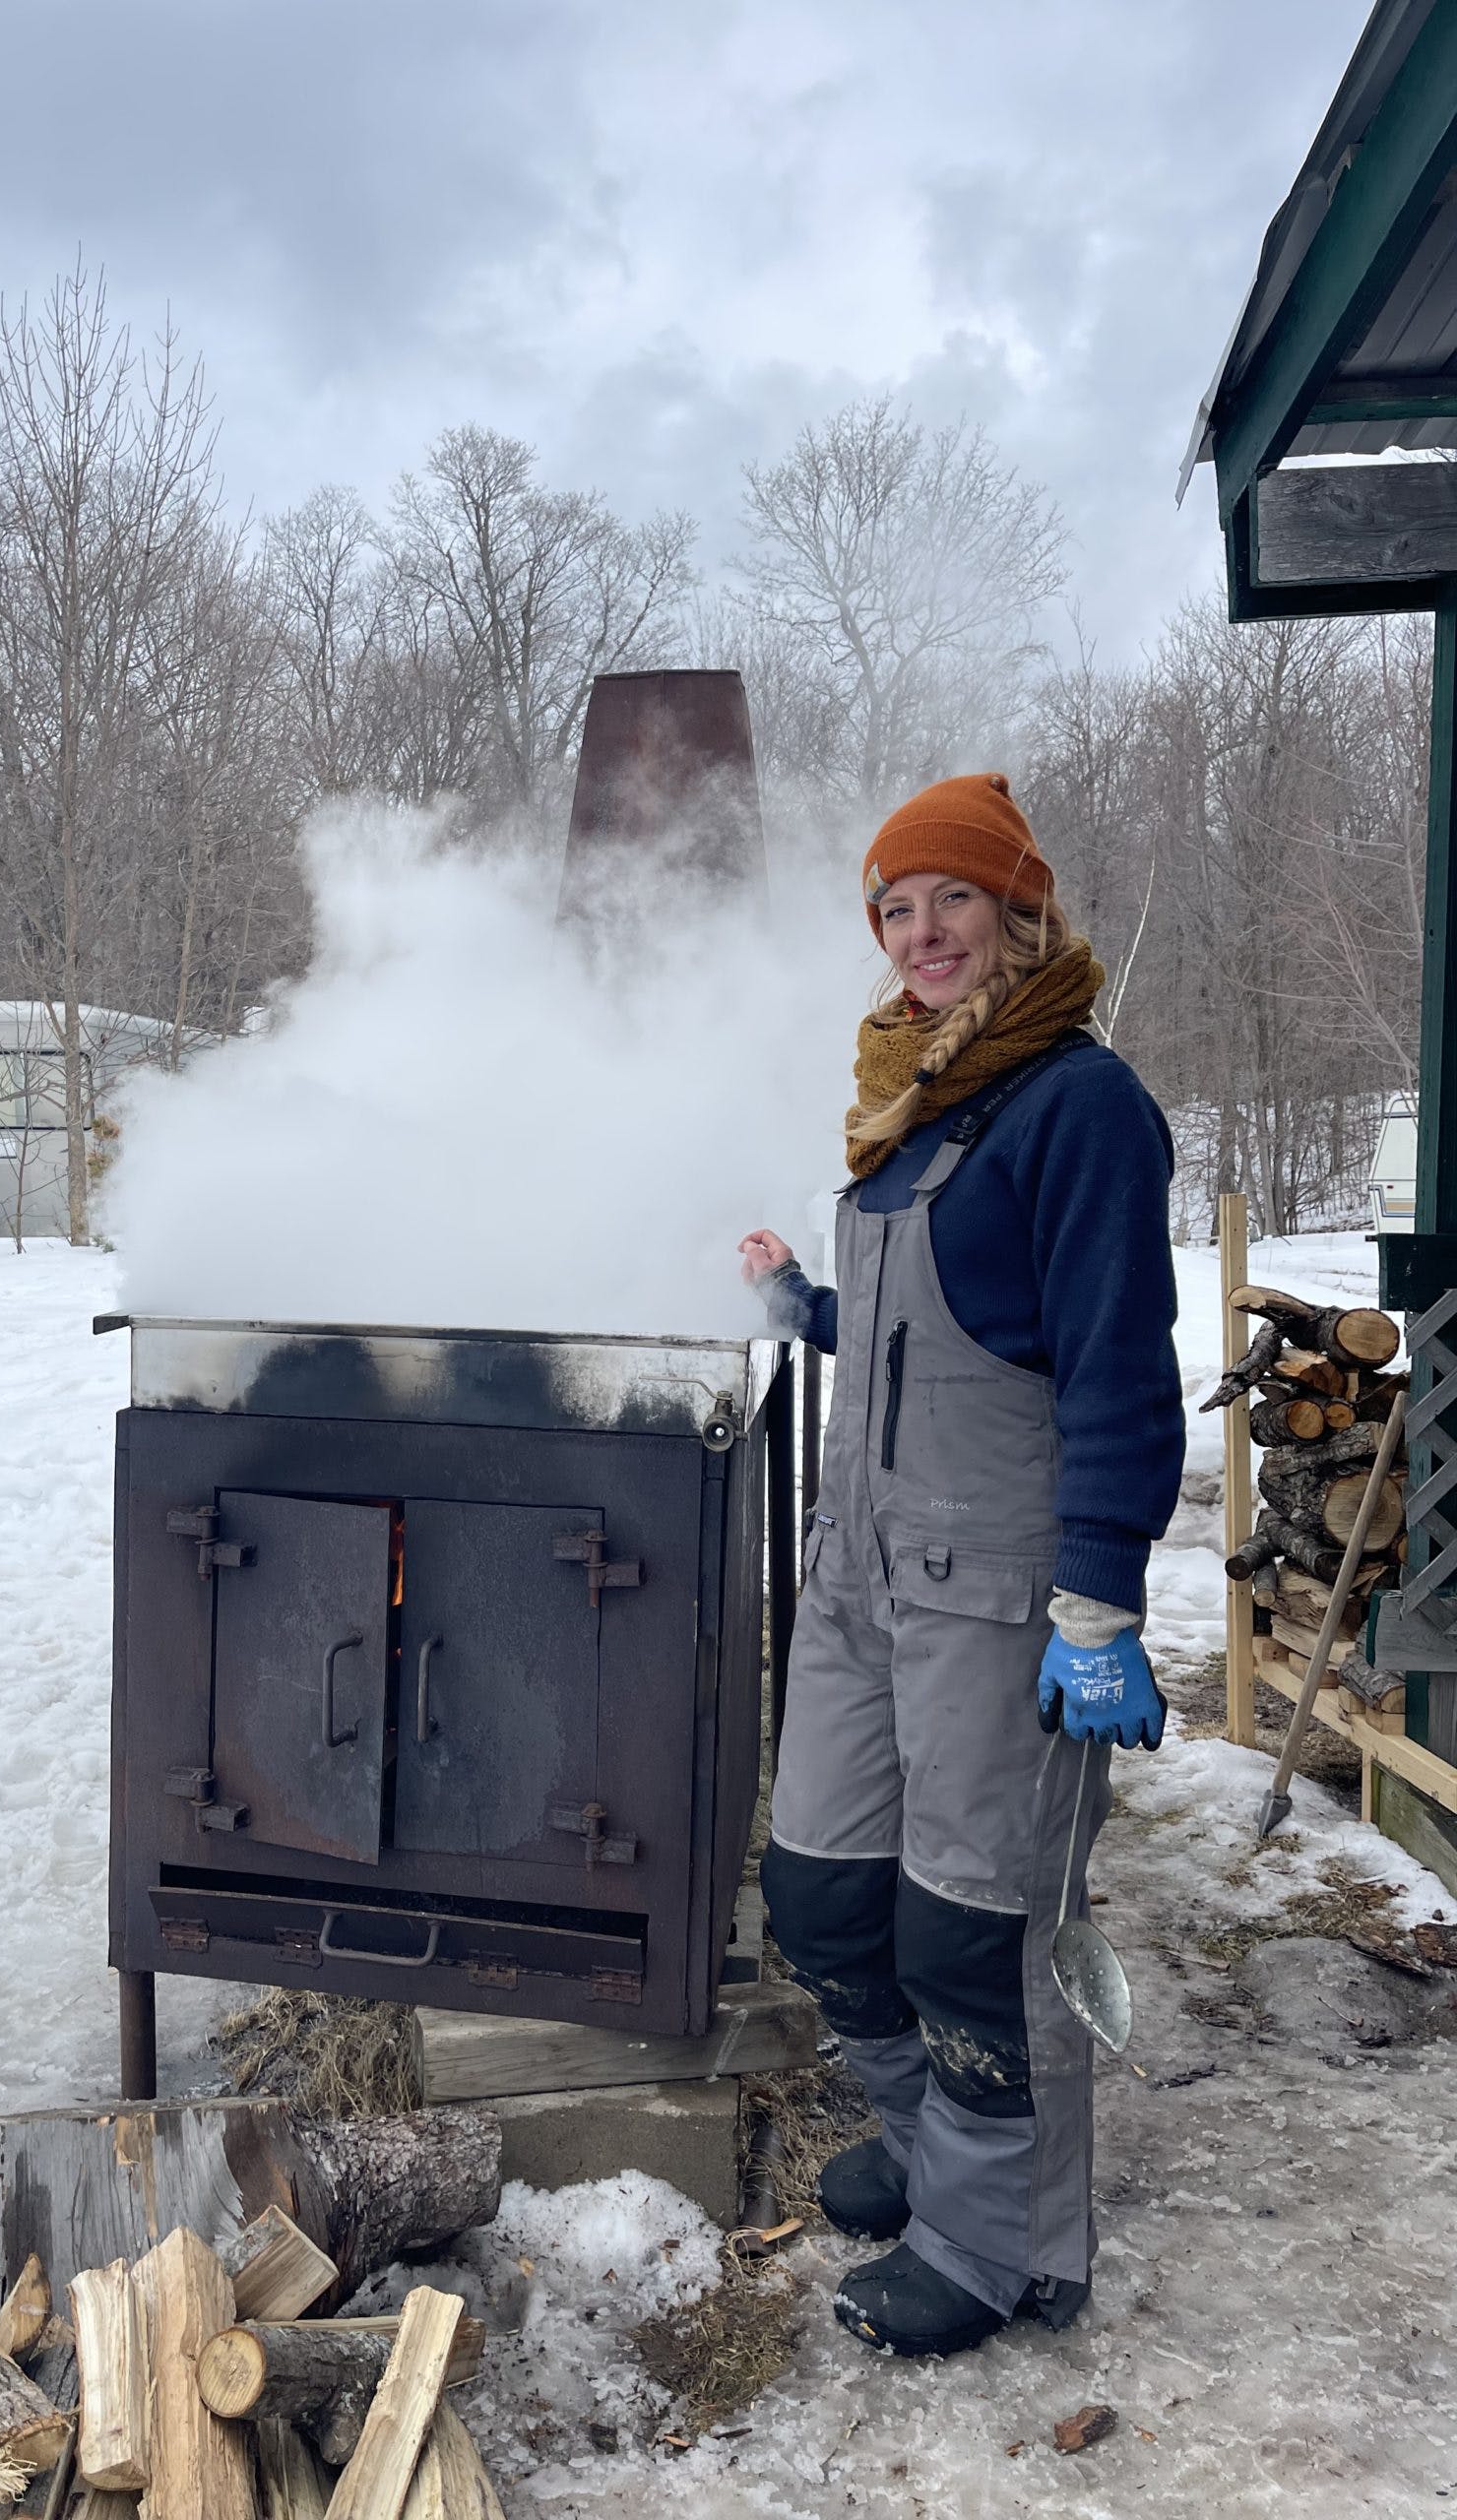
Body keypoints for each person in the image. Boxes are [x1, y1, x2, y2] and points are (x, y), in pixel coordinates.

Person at [738, 770, 1184, 2360]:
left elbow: (1117, 1368)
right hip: (862, 1575)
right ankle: (932, 2149)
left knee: (977, 1936)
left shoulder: (1082, 1105)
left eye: (954, 901)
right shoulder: (916, 1096)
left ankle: (1003, 2243)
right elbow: (950, 1330)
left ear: (1019, 912)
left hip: (1005, 1595)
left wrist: (1100, 1602)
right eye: (897, 907)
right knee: (822, 1894)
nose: (923, 932)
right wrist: (816, 1314)